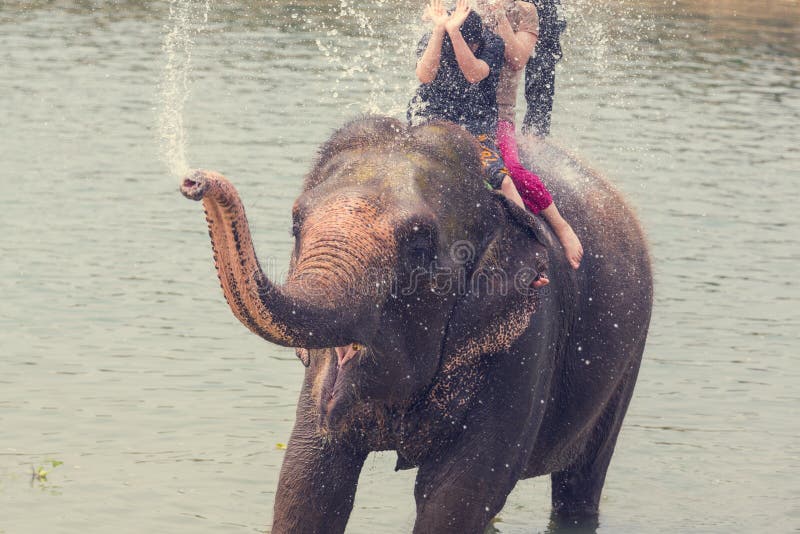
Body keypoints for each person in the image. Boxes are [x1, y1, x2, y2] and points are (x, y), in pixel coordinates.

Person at [477, 0, 583, 268]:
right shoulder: (468, 5)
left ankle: (560, 227)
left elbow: (516, 59)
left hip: (499, 113)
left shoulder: (526, 12)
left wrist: (498, 16)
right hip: (464, 111)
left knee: (511, 168)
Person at [408, 0, 527, 213]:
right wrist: (439, 29)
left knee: (505, 182)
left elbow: (473, 74)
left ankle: (530, 233)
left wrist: (454, 33)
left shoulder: (492, 43)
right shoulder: (435, 39)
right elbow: (425, 76)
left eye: (469, 44)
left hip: (474, 124)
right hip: (430, 118)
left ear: (477, 41)